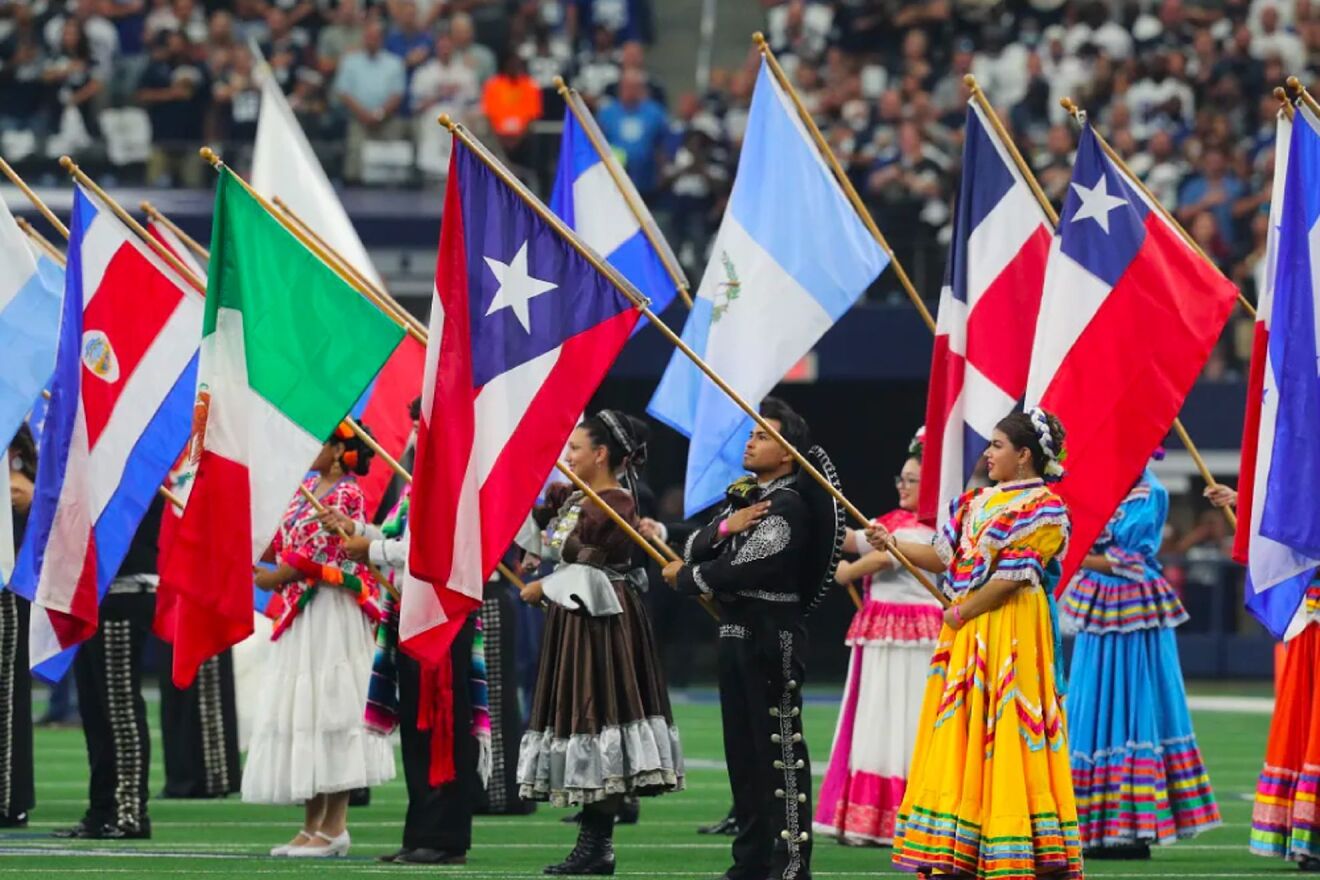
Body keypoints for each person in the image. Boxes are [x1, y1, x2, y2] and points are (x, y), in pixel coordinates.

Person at [867, 408, 1082, 880]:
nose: (988, 453)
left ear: (1024, 456)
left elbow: (1012, 579)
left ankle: (1011, 842)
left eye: (998, 446)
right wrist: (894, 545)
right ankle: (962, 846)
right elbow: (943, 557)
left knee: (1006, 726)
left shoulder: (1044, 508)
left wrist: (961, 612)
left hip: (1009, 629)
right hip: (969, 628)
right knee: (963, 727)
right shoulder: (973, 503)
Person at [662, 397, 847, 880]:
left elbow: (745, 565)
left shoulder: (788, 505)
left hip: (773, 633)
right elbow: (695, 542)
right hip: (735, 629)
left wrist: (688, 579)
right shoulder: (743, 498)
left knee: (778, 747)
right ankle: (749, 860)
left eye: (763, 435)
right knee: (742, 753)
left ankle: (788, 863)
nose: (750, 441)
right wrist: (727, 525)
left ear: (788, 452)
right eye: (751, 433)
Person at [318, 399, 486, 865]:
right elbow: (395, 539)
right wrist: (356, 531)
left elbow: (428, 551)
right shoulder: (420, 487)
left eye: (420, 426)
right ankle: (422, 833)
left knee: (440, 726)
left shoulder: (453, 481)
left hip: (442, 617)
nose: (413, 437)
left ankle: (443, 836)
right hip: (413, 615)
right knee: (418, 725)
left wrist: (369, 549)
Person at [517, 411, 684, 876]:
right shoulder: (577, 497)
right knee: (582, 720)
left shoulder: (615, 503)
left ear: (601, 454)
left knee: (598, 717)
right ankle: (593, 843)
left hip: (602, 623)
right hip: (574, 620)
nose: (568, 457)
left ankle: (597, 844)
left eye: (575, 449)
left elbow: (589, 566)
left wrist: (543, 588)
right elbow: (543, 534)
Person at [244, 423, 395, 857]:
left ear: (336, 451)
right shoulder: (303, 489)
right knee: (305, 715)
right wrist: (260, 555)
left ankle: (335, 825)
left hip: (333, 610)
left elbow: (325, 554)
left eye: (318, 443)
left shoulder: (347, 495)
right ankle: (312, 824)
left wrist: (278, 575)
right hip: (305, 613)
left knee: (333, 711)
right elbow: (288, 544)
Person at [1061, 461, 1220, 858]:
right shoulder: (1104, 487)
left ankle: (1131, 825)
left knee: (1133, 706)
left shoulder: (1151, 494)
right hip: (1100, 602)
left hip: (1131, 606)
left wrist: (1075, 554)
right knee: (1091, 705)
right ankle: (1093, 822)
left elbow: (1128, 560)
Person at [814, 428, 941, 846]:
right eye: (900, 479)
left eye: (912, 480)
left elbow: (885, 557)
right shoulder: (889, 522)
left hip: (918, 635)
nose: (903, 487)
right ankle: (871, 816)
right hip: (882, 630)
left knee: (909, 717)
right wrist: (818, 518)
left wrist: (848, 570)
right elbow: (852, 538)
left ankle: (911, 811)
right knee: (875, 715)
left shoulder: (934, 525)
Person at [1205, 485, 1320, 867]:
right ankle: (1308, 833)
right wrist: (1244, 503)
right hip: (1310, 617)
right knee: (1306, 721)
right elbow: (1297, 513)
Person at [53, 495, 166, 840]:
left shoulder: (139, 454)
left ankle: (131, 812)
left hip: (126, 587)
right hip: (91, 588)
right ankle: (101, 809)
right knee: (95, 708)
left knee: (119, 706)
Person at [0, 425, 36, 827]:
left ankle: (9, 797)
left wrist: (29, 490)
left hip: (9, 581)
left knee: (7, 692)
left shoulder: (23, 440)